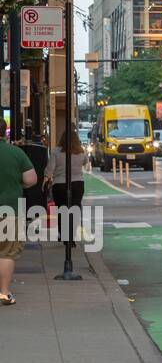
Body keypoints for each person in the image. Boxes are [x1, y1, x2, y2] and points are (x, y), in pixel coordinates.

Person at [0, 117, 38, 306]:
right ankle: (4, 293)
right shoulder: (16, 153)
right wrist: (17, 184)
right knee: (7, 252)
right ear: (4, 132)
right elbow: (31, 179)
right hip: (10, 209)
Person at [46, 113, 86, 249]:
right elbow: (85, 162)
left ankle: (64, 235)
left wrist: (46, 178)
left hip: (60, 184)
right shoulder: (81, 152)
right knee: (75, 208)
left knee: (62, 209)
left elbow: (49, 169)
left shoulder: (56, 152)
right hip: (78, 183)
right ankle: (72, 236)